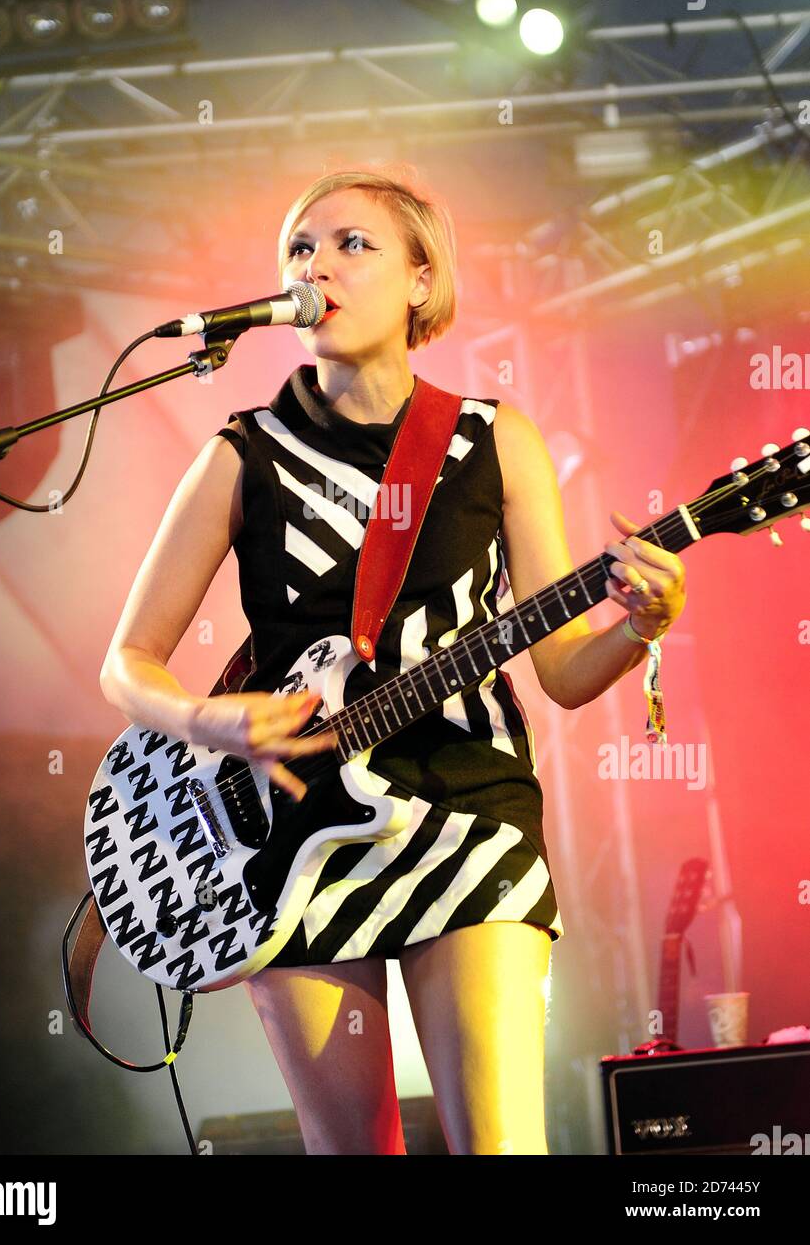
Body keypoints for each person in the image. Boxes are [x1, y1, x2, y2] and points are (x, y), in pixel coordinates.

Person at [100, 168, 687, 1155]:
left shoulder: (496, 441)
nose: (314, 265)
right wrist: (216, 720)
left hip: (468, 815)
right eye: (297, 248)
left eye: (349, 244)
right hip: (284, 845)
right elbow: (129, 662)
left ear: (420, 280)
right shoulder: (242, 454)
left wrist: (638, 625)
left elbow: (561, 672)